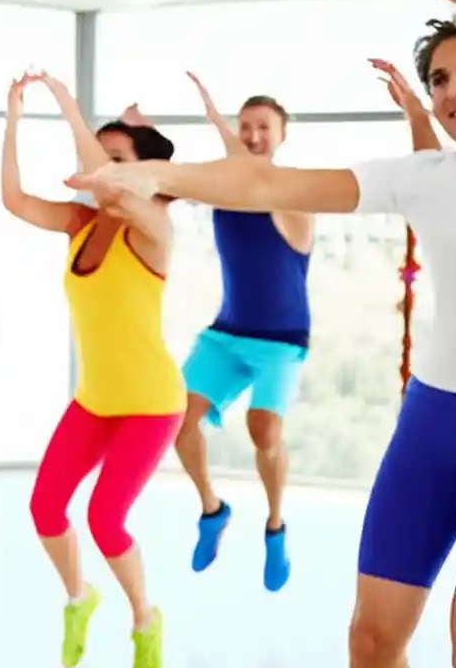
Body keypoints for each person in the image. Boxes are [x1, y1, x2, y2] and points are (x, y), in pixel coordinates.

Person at [69, 0, 456, 663]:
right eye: (440, 77)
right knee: (371, 640)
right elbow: (266, 187)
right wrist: (152, 171)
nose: (453, 89)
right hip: (433, 421)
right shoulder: (421, 176)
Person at [6, 71, 179, 668]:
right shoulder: (81, 225)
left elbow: (116, 188)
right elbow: (15, 200)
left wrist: (64, 101)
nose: (102, 169)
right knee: (45, 509)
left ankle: (144, 618)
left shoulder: (154, 230)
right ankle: (79, 599)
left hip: (152, 404)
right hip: (95, 400)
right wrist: (13, 117)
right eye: (101, 158)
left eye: (115, 160)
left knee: (106, 518)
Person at [174, 72, 314, 592]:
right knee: (176, 422)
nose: (254, 136)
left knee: (264, 431)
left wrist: (222, 131)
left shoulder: (294, 195)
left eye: (264, 128)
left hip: (282, 339)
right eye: (246, 127)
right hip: (228, 331)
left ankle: (275, 526)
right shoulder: (225, 191)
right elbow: (183, 178)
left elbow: (259, 182)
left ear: (282, 135)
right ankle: (212, 511)